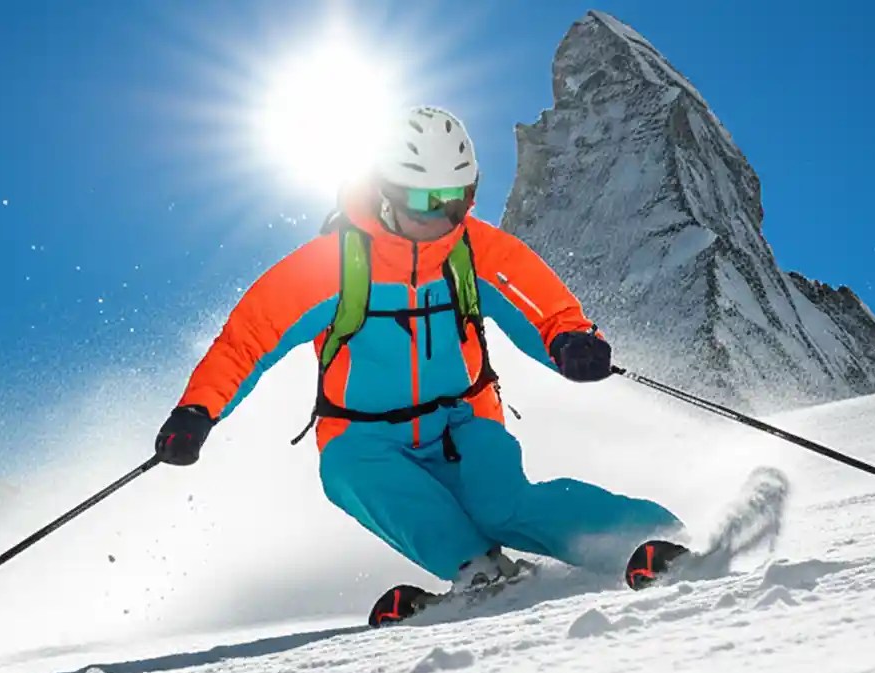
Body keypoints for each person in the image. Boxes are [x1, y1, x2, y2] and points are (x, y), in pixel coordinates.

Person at [154, 106, 684, 601]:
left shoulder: (472, 249)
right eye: (428, 202)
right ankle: (479, 571)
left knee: (502, 507)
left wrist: (570, 341)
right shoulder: (331, 266)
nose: (445, 216)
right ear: (386, 194)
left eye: (459, 199)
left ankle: (655, 538)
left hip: (463, 418)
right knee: (347, 470)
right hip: (365, 434)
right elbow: (247, 341)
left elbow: (542, 306)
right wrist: (197, 411)